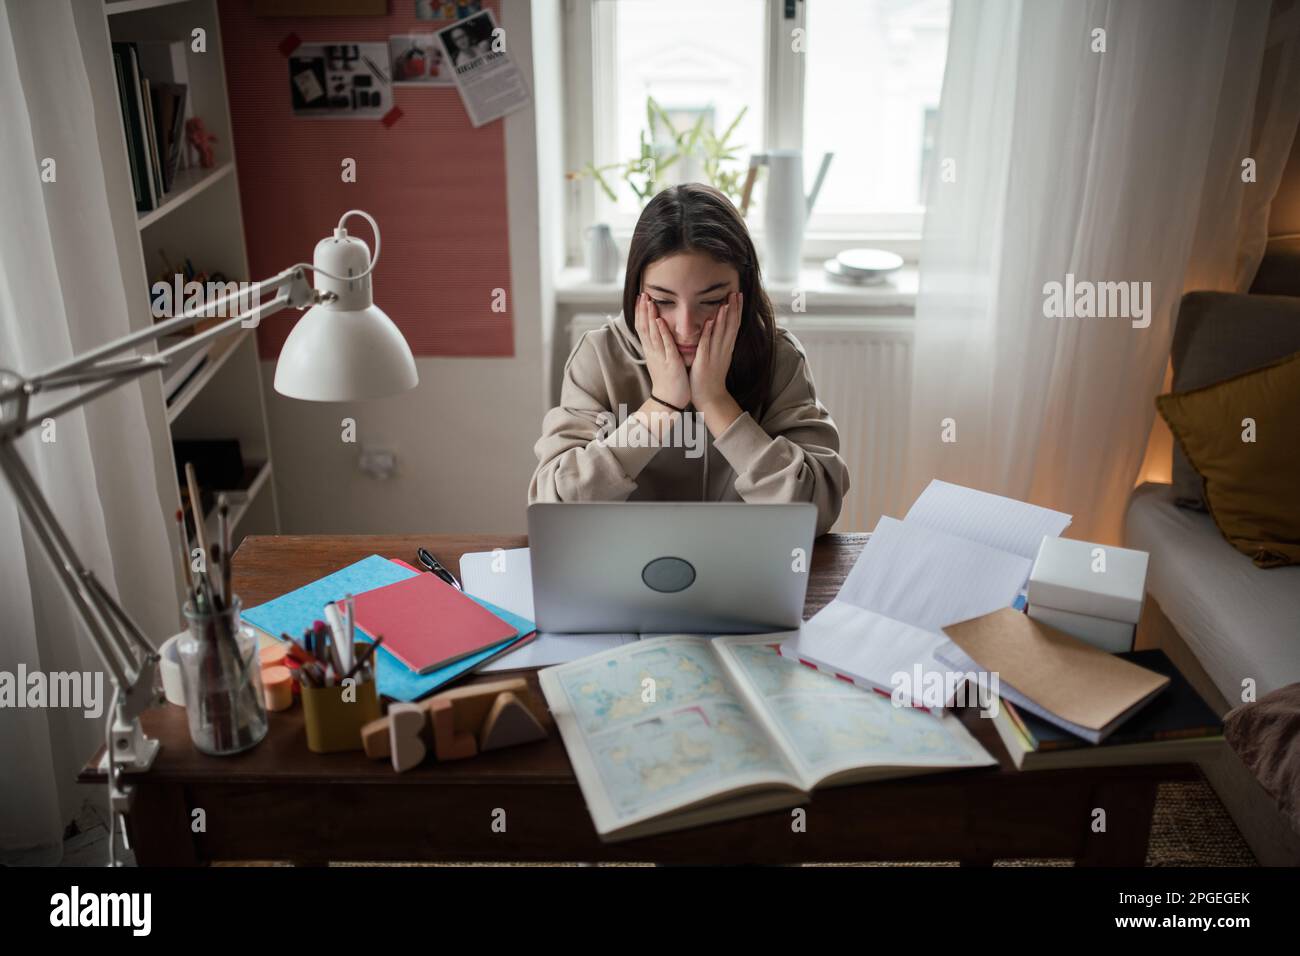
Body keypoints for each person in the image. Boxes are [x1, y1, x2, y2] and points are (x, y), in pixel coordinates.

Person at [529, 182, 850, 536]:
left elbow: (815, 512)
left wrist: (715, 402)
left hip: (743, 569)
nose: (685, 328)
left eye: (711, 301)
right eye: (664, 301)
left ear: (743, 292)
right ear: (637, 293)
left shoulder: (780, 357)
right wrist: (660, 406)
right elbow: (554, 508)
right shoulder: (599, 356)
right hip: (625, 568)